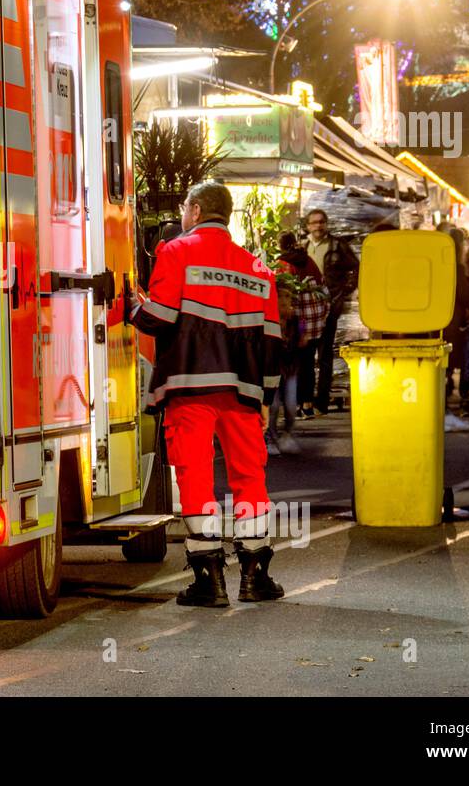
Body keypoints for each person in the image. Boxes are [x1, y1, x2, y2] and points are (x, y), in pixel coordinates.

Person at [131, 181, 284, 607]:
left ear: (195, 210)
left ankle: (209, 581)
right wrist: (267, 400)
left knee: (196, 478)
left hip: (190, 388)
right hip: (244, 393)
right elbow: (272, 341)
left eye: (184, 207)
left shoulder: (176, 251)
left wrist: (131, 307)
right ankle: (255, 577)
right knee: (250, 479)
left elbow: (159, 315)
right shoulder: (257, 269)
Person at [268, 233, 326, 455]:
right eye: (281, 299)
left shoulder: (293, 318)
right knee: (273, 406)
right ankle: (273, 436)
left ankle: (288, 434)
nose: (285, 303)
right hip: (274, 368)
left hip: (289, 367)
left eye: (288, 300)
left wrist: (302, 336)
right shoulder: (270, 319)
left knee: (289, 406)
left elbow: (300, 328)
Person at [299, 208, 359, 417]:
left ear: (326, 224)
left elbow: (356, 268)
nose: (318, 226)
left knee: (324, 357)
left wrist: (345, 292)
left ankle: (321, 403)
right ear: (308, 226)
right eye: (314, 222)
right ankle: (304, 402)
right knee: (304, 356)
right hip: (304, 311)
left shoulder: (337, 245)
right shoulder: (302, 247)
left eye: (321, 222)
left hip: (328, 308)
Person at [444, 228, 469, 429]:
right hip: (459, 322)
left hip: (443, 322)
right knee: (465, 362)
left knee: (446, 364)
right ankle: (465, 399)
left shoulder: (440, 266)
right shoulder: (460, 267)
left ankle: (444, 399)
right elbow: (466, 295)